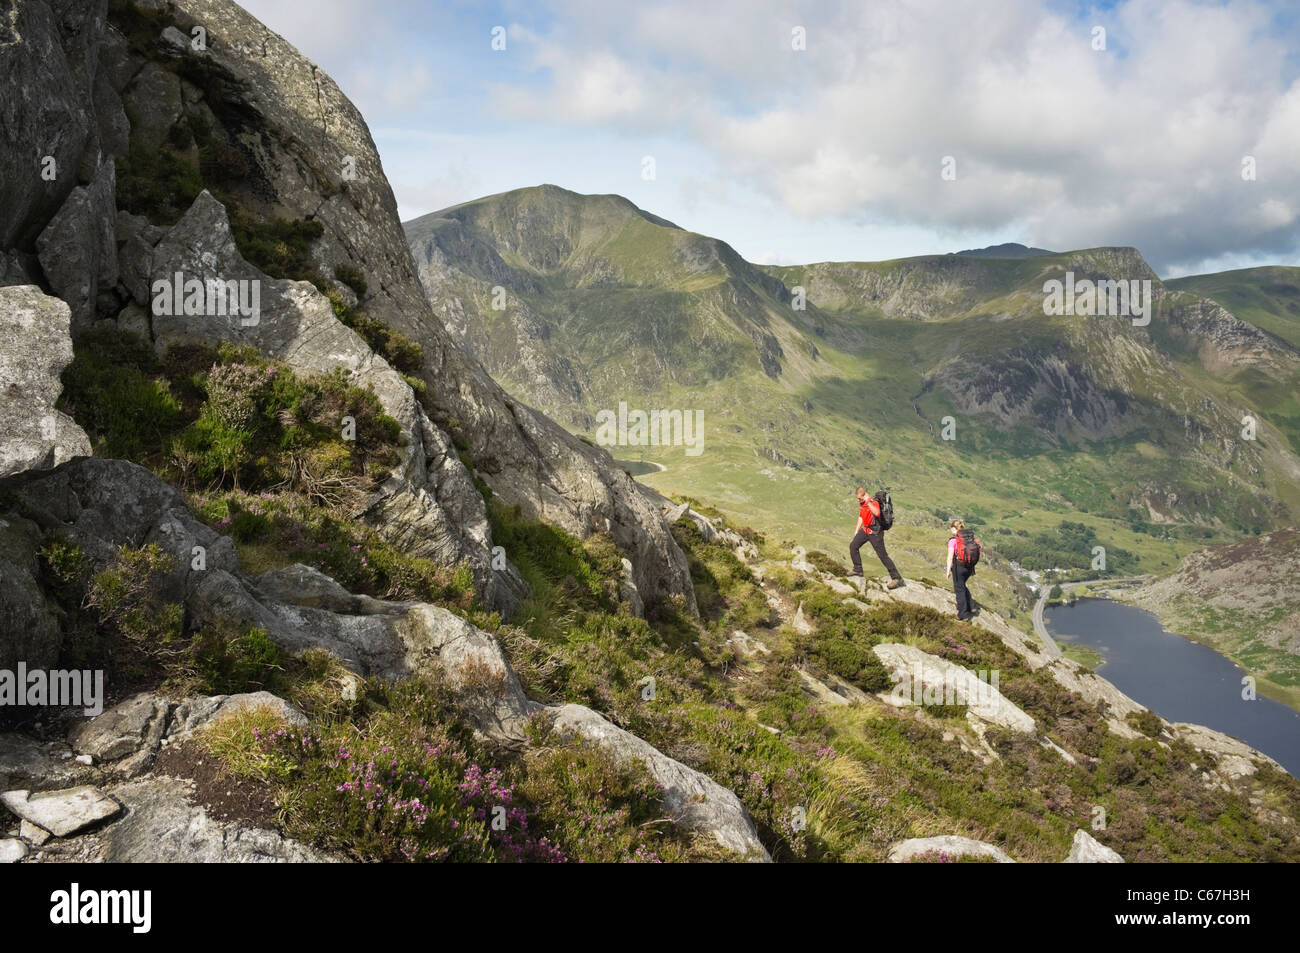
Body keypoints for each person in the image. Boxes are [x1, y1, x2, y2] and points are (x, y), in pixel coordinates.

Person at [849, 486, 903, 588]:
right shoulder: (861, 503)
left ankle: (896, 577)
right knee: (853, 546)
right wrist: (856, 530)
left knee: (883, 556)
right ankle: (858, 569)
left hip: (875, 533)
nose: (858, 500)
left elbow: (877, 512)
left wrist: (868, 502)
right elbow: (861, 516)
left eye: (860, 498)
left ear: (865, 495)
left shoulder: (874, 502)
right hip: (865, 530)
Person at [945, 519, 978, 620]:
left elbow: (950, 557)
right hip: (968, 567)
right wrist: (972, 569)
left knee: (959, 588)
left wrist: (948, 571)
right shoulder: (969, 539)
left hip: (958, 567)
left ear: (953, 529)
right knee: (962, 585)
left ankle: (962, 614)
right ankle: (971, 605)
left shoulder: (953, 541)